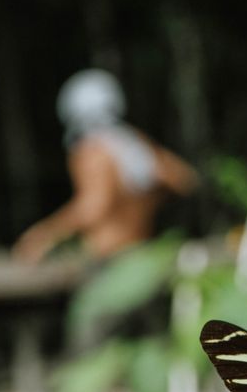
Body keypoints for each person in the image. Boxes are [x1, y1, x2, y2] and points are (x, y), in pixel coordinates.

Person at [13, 69, 199, 264]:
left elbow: (93, 206)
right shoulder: (134, 145)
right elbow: (185, 179)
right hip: (142, 254)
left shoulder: (91, 151)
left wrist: (43, 235)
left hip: (106, 259)